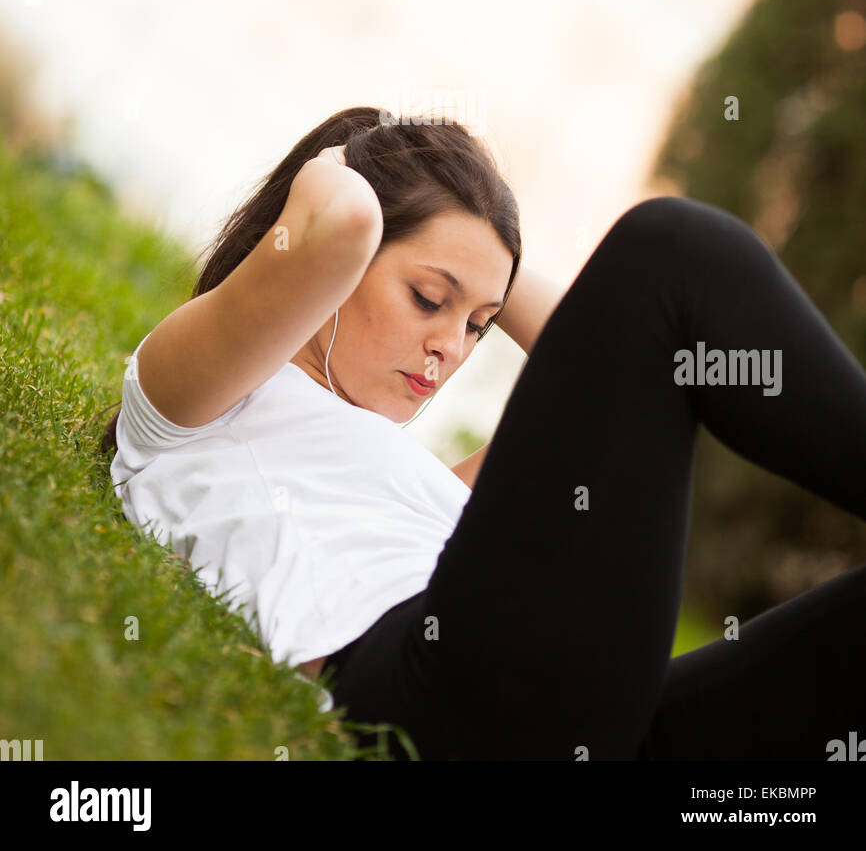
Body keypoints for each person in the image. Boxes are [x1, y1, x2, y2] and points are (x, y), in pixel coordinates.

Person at [102, 105, 866, 761]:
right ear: (343, 264)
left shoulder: (409, 480)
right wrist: (355, 149)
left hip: (560, 724)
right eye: (427, 297)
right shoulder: (185, 396)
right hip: (430, 693)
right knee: (673, 249)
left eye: (478, 325)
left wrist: (473, 262)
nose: (452, 347)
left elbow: (604, 357)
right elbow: (344, 220)